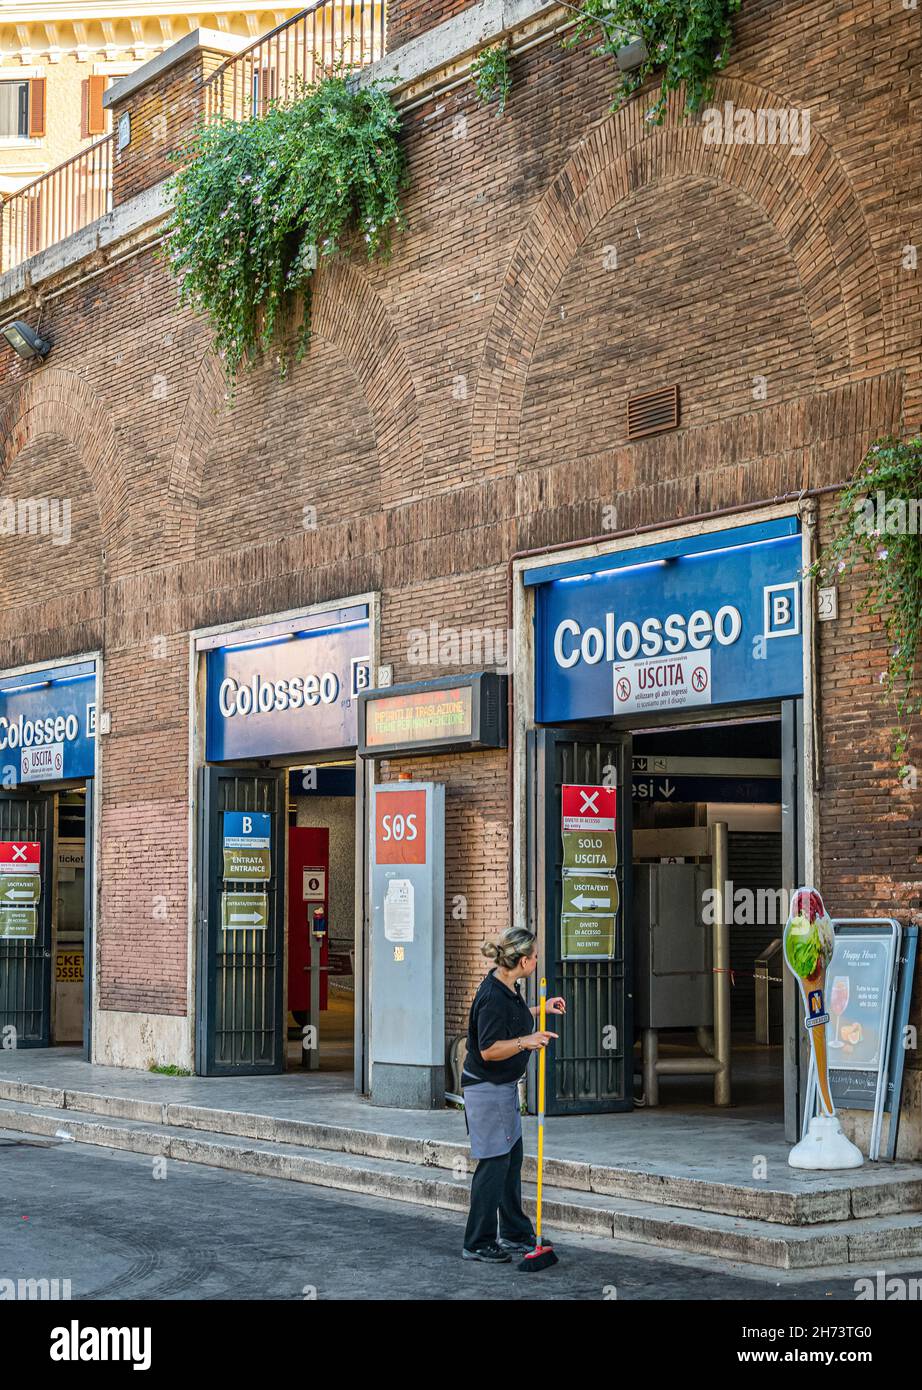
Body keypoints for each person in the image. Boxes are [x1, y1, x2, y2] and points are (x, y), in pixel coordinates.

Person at [461, 927, 565, 1262]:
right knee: (494, 1163)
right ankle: (477, 1242)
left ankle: (516, 1232)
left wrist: (541, 1009)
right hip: (487, 1089)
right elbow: (489, 1049)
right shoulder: (493, 996)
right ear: (522, 960)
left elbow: (514, 1017)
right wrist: (527, 1041)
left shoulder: (507, 984)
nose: (537, 961)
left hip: (502, 1089)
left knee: (510, 1161)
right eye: (534, 957)